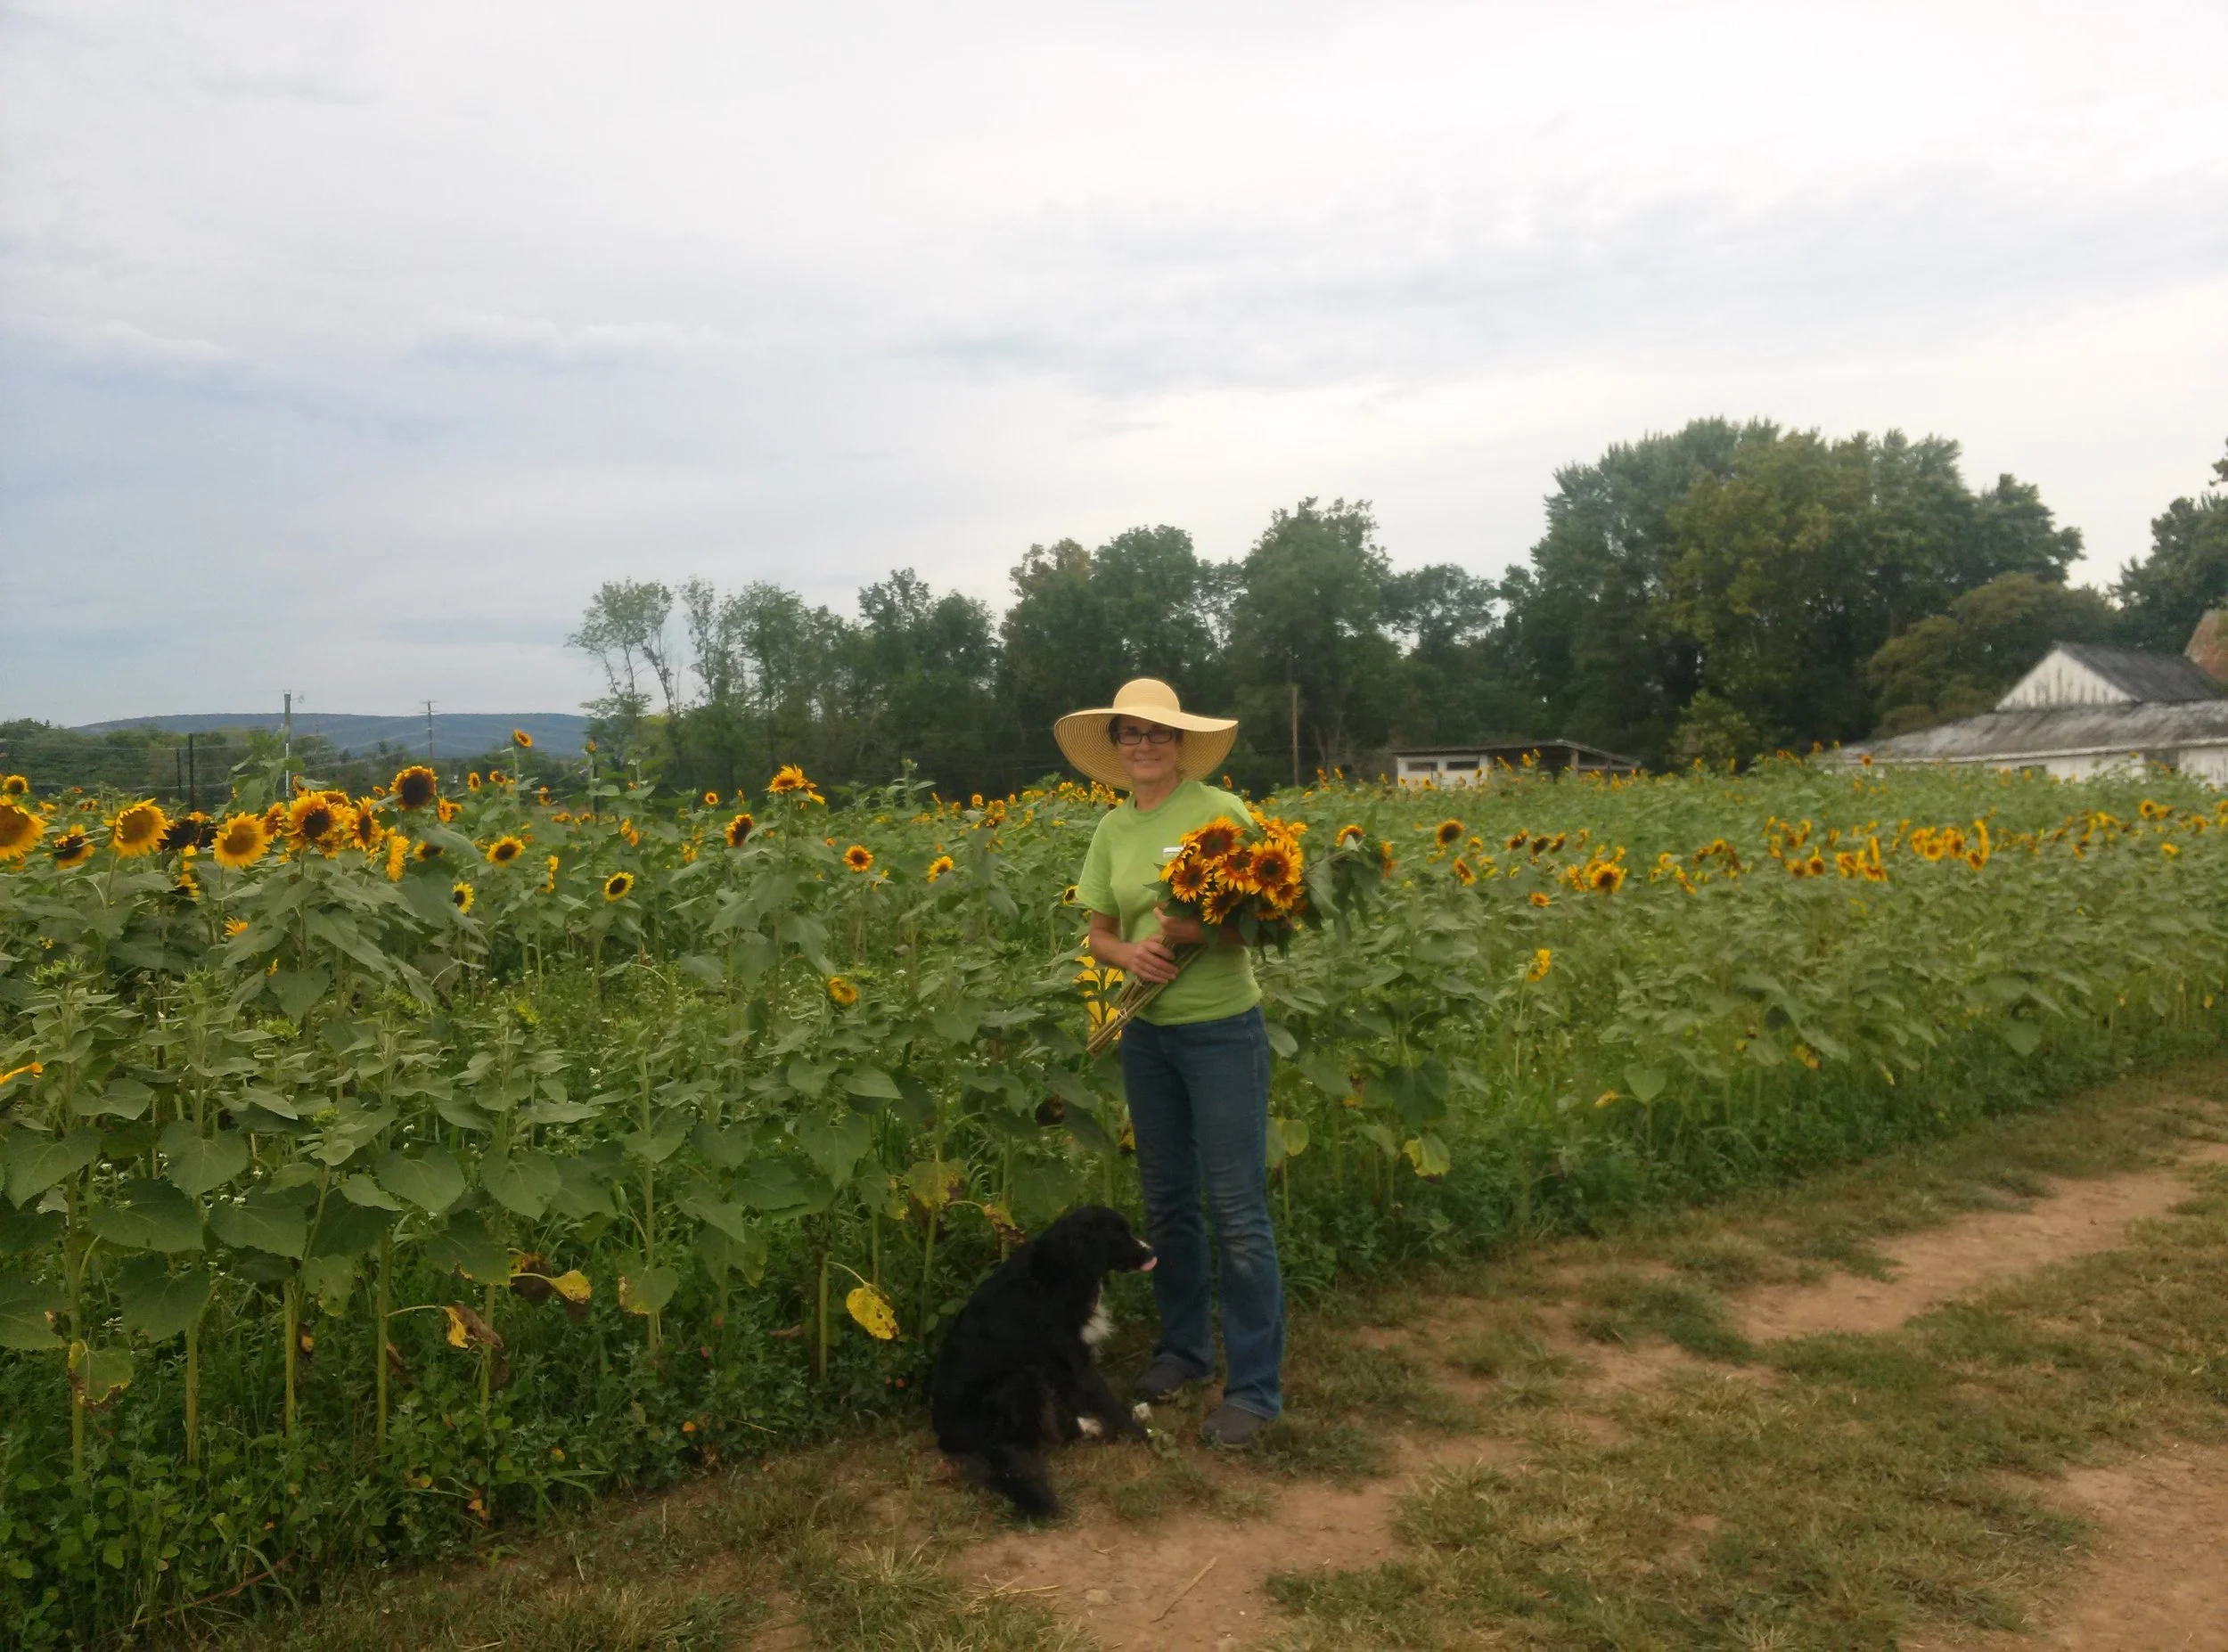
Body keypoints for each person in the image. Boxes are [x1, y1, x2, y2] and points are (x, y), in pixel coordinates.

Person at [1055, 678, 1284, 1447]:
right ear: (1116, 747)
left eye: (1157, 733)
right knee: (1169, 1204)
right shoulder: (1112, 830)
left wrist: (1191, 938)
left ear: (1180, 743)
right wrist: (1132, 955)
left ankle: (1254, 1388)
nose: (1143, 745)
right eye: (1130, 734)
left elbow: (1263, 923)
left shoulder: (1222, 815)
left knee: (1236, 1210)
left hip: (1222, 1033)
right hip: (1148, 1038)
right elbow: (1099, 933)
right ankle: (1184, 1350)